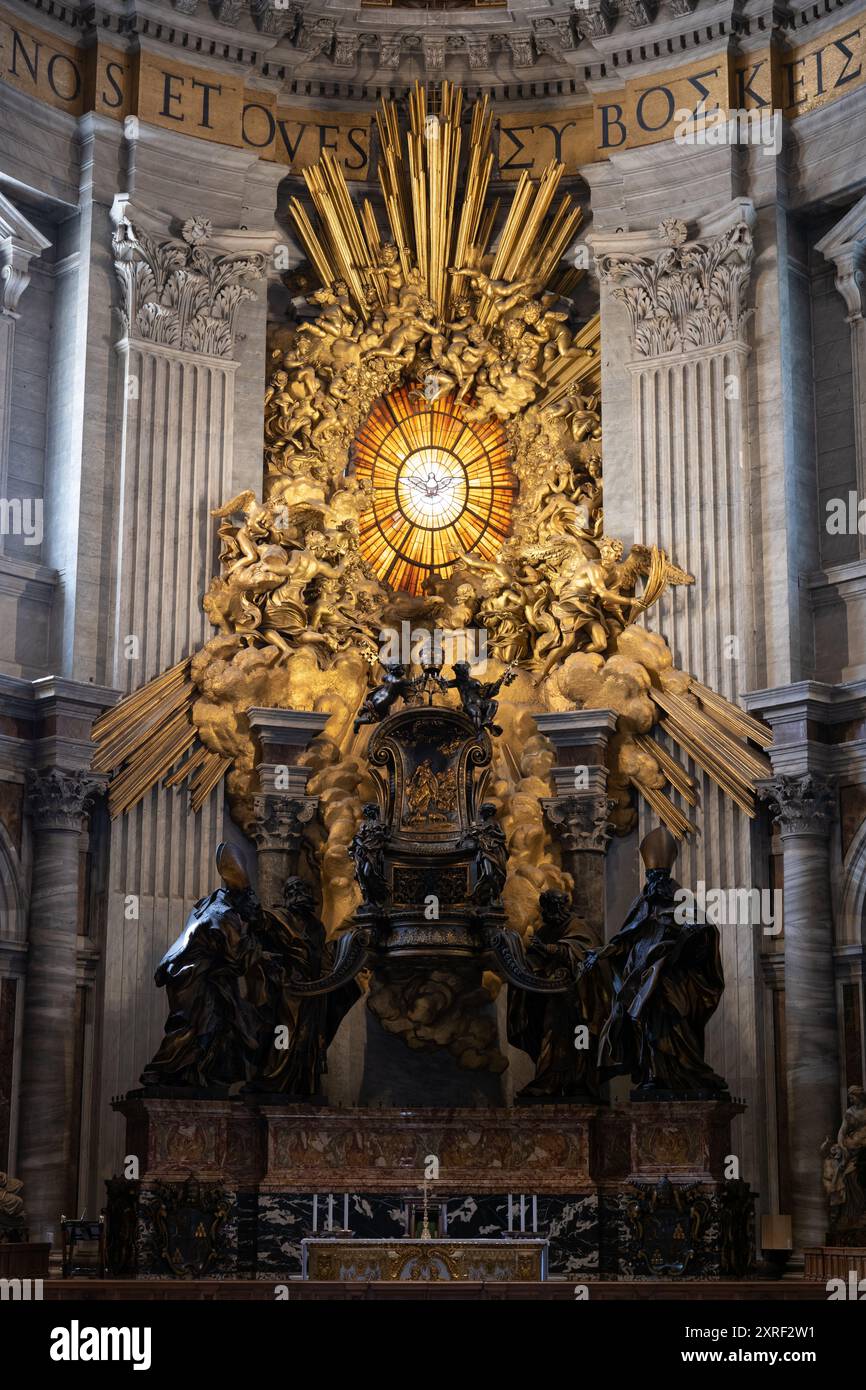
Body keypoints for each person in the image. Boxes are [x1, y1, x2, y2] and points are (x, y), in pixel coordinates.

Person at [585, 827, 728, 1097]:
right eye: (651, 875)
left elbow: (706, 932)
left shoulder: (684, 902)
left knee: (673, 1022)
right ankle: (653, 1074)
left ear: (668, 877)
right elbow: (623, 940)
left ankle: (685, 1072)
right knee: (646, 1026)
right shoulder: (642, 904)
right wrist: (601, 953)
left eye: (660, 876)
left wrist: (690, 936)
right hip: (641, 979)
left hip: (672, 980)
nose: (655, 880)